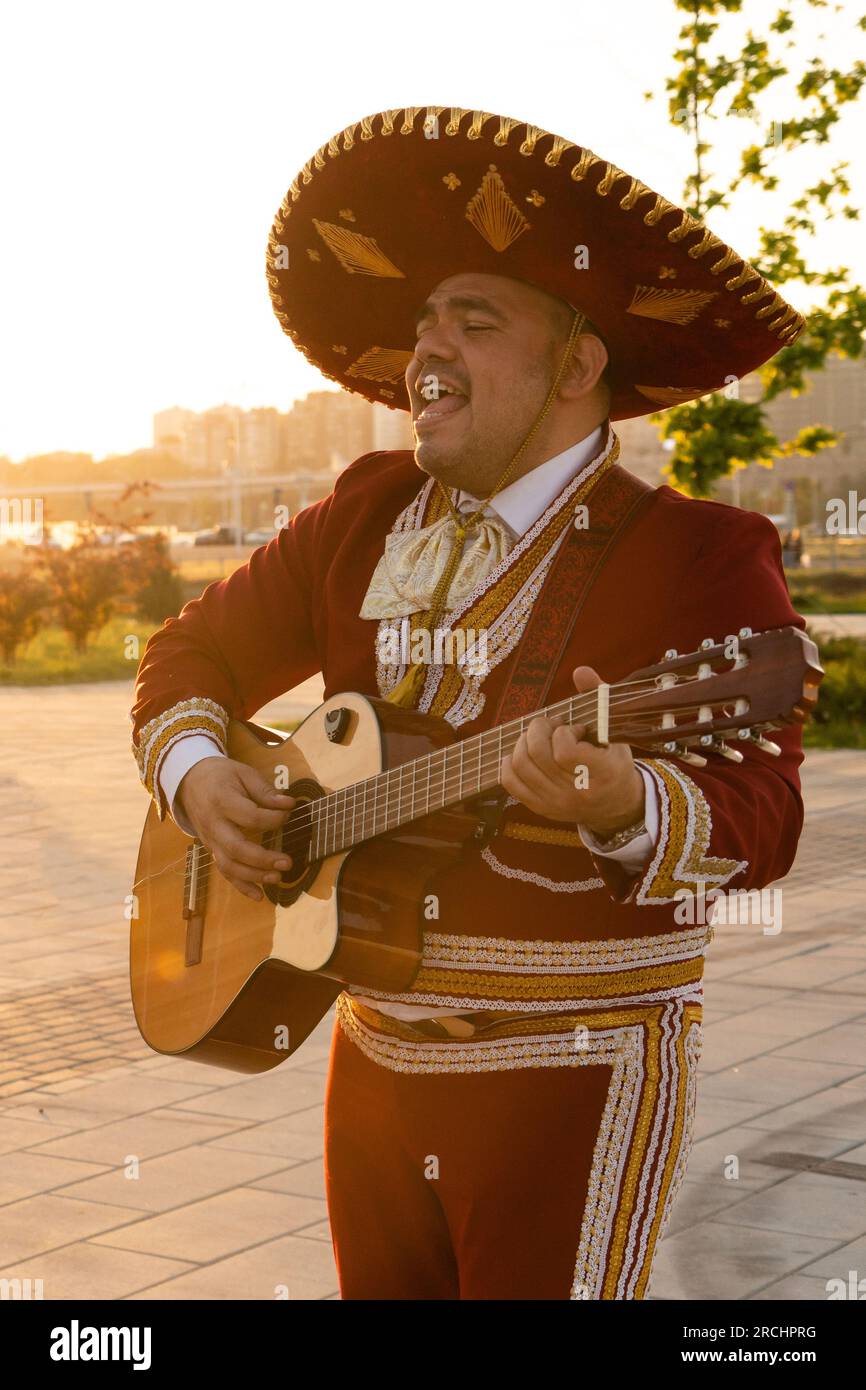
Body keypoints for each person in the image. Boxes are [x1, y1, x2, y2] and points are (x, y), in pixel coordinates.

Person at [131, 106, 807, 1300]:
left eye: (472, 320)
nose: (422, 352)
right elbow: (191, 655)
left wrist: (627, 796)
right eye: (420, 323)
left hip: (578, 1064)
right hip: (370, 1049)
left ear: (577, 363)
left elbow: (759, 816)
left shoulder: (697, 554)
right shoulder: (361, 513)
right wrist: (199, 778)